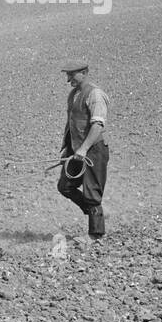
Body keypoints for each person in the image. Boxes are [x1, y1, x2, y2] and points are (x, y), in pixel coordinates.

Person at [57, 60, 111, 238]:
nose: (69, 78)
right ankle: (95, 213)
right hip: (76, 150)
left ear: (84, 72)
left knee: (92, 192)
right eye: (68, 75)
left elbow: (97, 125)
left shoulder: (95, 94)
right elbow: (71, 125)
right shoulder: (73, 94)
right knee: (65, 186)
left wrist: (84, 149)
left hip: (93, 150)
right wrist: (69, 149)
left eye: (72, 74)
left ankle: (96, 236)